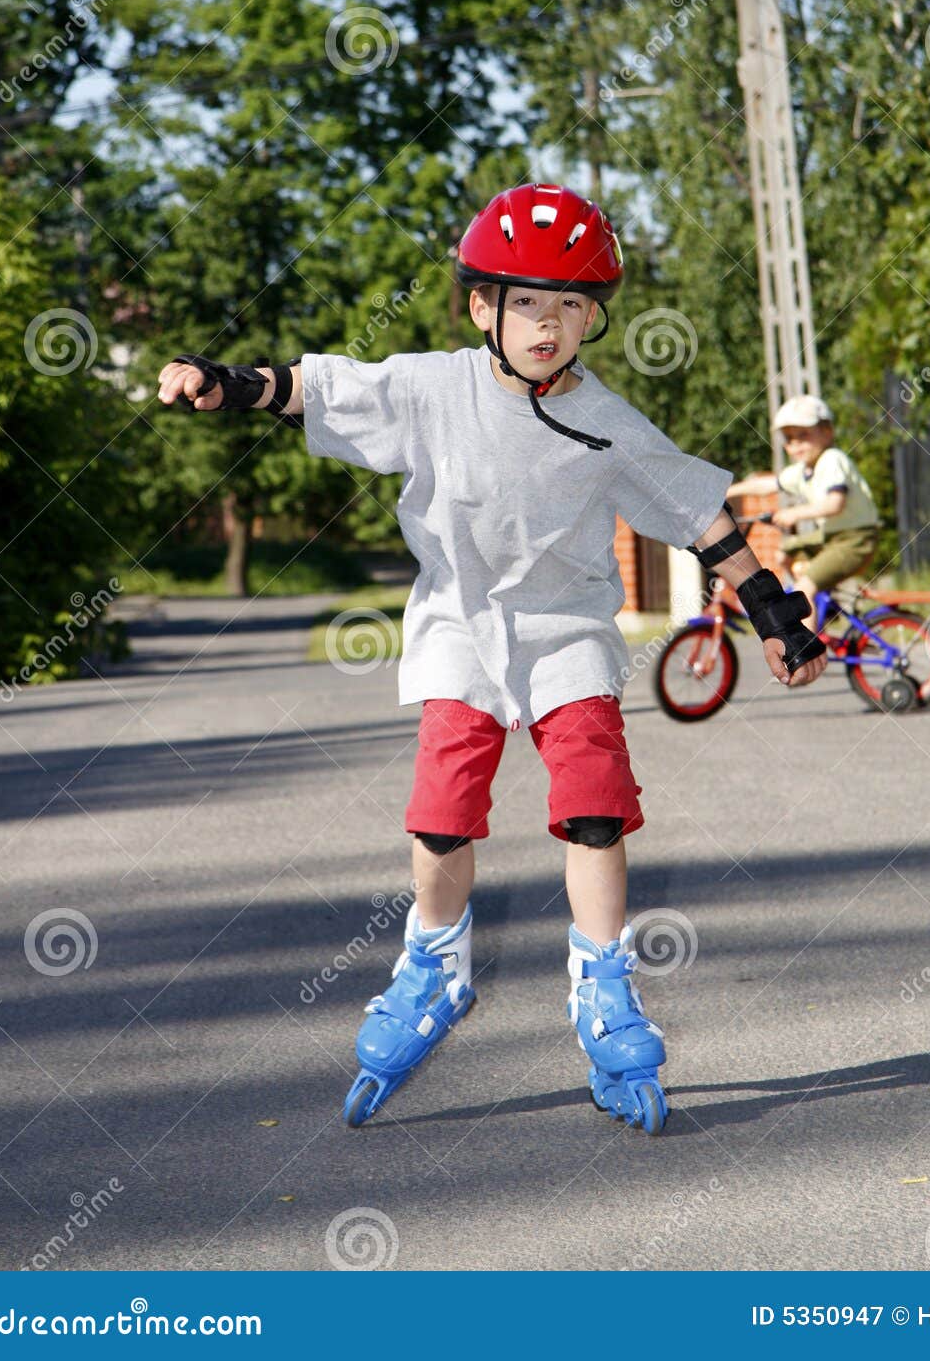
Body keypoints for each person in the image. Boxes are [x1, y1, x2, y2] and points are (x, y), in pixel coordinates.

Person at [157, 183, 826, 1136]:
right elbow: (325, 384)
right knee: (441, 812)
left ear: (593, 316)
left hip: (566, 635)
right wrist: (224, 380)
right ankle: (434, 965)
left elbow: (697, 514)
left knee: (594, 807)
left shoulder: (610, 423)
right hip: (458, 629)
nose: (546, 323)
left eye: (567, 305)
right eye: (524, 303)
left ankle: (601, 984)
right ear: (482, 307)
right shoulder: (434, 388)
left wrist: (770, 610)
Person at [728, 394, 881, 633]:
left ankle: (807, 648)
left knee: (804, 587)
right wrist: (725, 492)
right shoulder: (803, 470)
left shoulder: (832, 460)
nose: (795, 445)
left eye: (803, 435)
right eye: (789, 439)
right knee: (783, 554)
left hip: (855, 539)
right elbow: (764, 485)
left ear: (827, 432)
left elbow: (834, 504)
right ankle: (823, 605)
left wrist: (795, 514)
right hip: (832, 536)